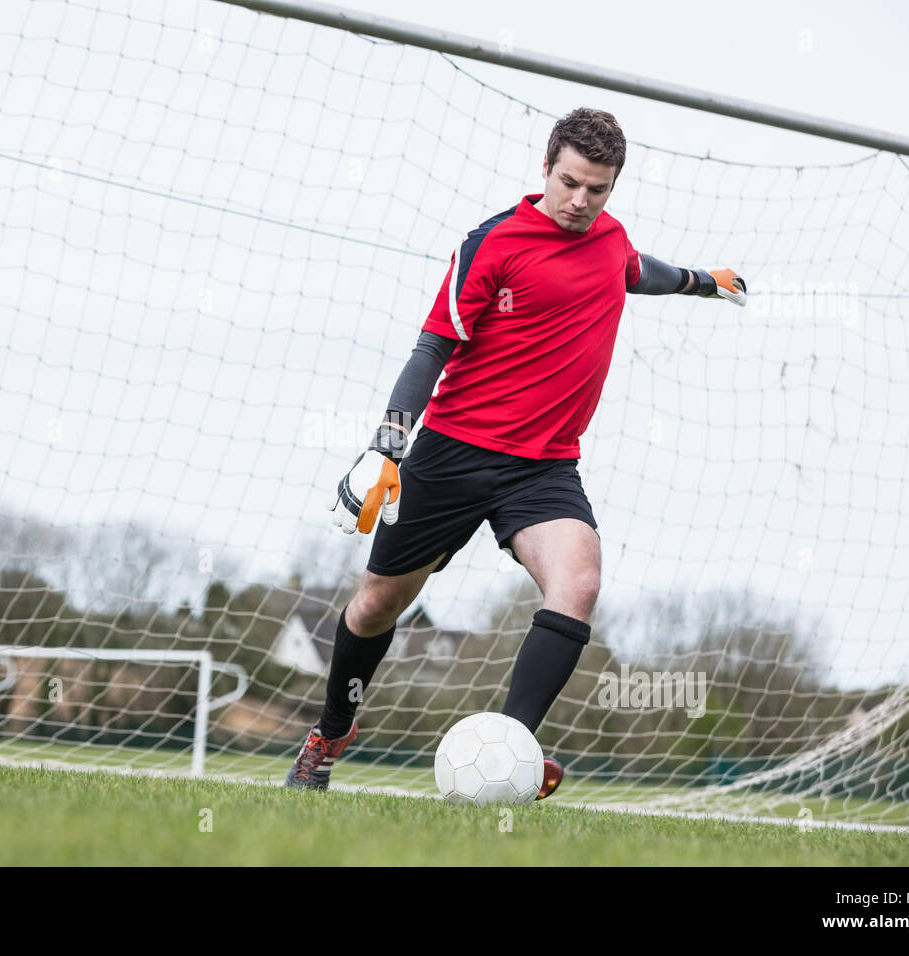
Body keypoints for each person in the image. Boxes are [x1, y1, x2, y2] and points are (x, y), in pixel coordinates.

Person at [286, 107, 746, 796]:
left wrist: (699, 279)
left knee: (580, 584)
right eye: (570, 184)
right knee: (376, 605)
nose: (581, 202)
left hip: (544, 466)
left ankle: (510, 752)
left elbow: (633, 269)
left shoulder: (609, 236)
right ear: (545, 167)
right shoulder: (491, 243)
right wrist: (388, 447)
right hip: (450, 453)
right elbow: (432, 346)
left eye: (598, 190)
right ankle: (331, 733)